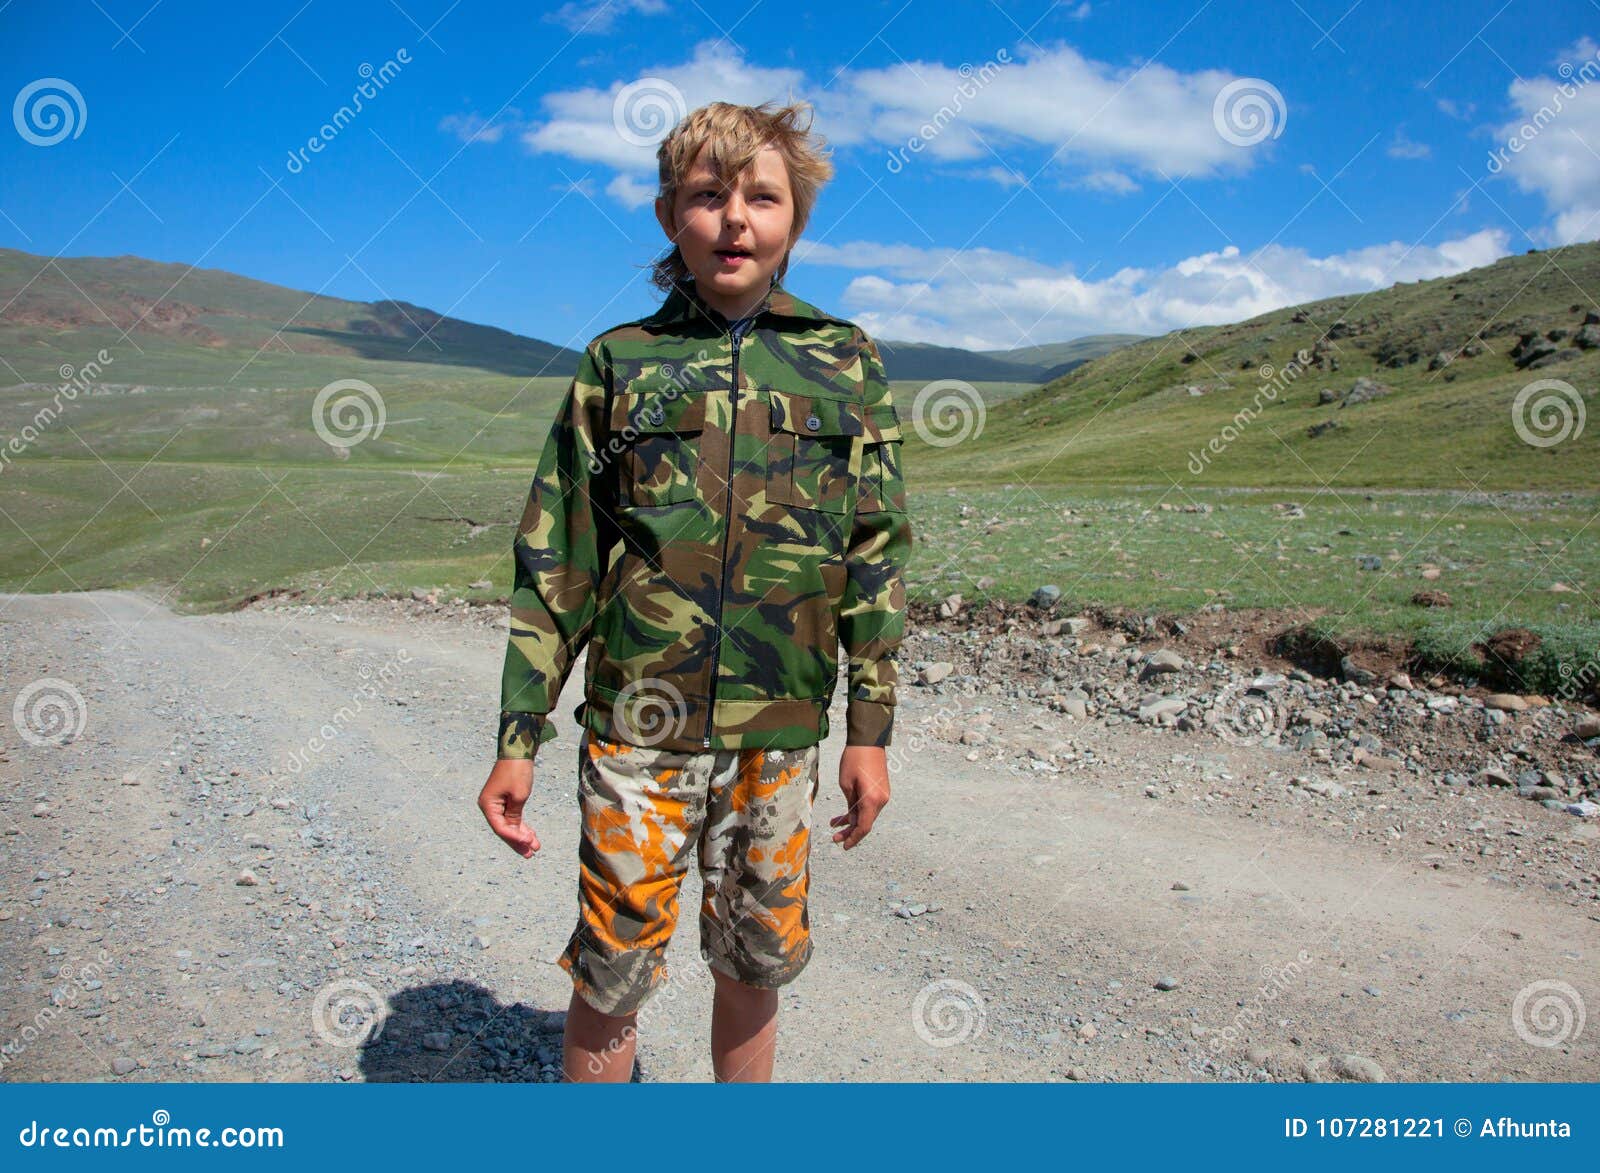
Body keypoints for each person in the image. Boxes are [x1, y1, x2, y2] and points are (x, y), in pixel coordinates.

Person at [475, 98, 911, 1083]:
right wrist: (516, 738)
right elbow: (557, 563)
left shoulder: (845, 362)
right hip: (639, 727)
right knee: (612, 973)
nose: (736, 218)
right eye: (709, 196)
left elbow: (875, 556)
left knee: (755, 961)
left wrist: (870, 733)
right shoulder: (618, 365)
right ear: (672, 214)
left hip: (780, 732)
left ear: (795, 217)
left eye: (762, 196)